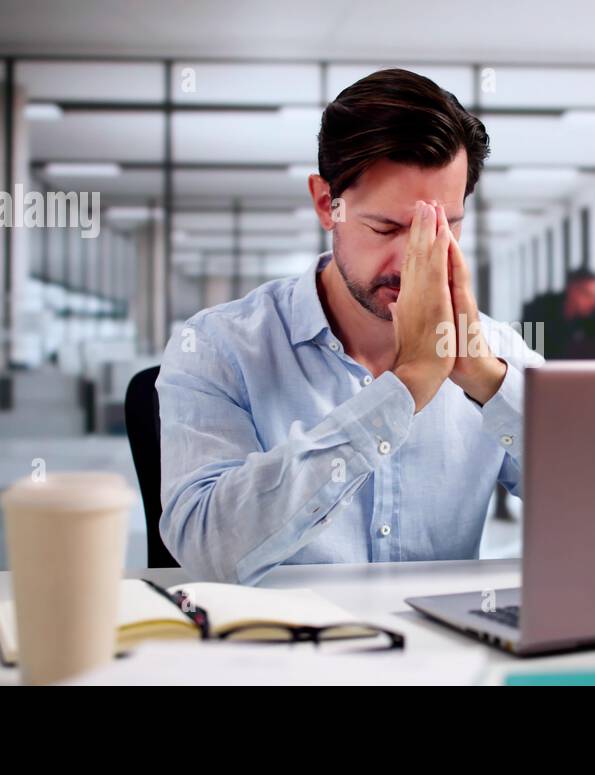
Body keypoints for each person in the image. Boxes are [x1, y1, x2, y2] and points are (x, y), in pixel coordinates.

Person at [156, 69, 542, 584]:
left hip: (444, 659)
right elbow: (205, 548)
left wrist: (486, 381)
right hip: (276, 655)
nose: (413, 260)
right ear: (326, 204)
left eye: (444, 228)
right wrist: (405, 388)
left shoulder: (496, 353)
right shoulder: (217, 347)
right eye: (386, 227)